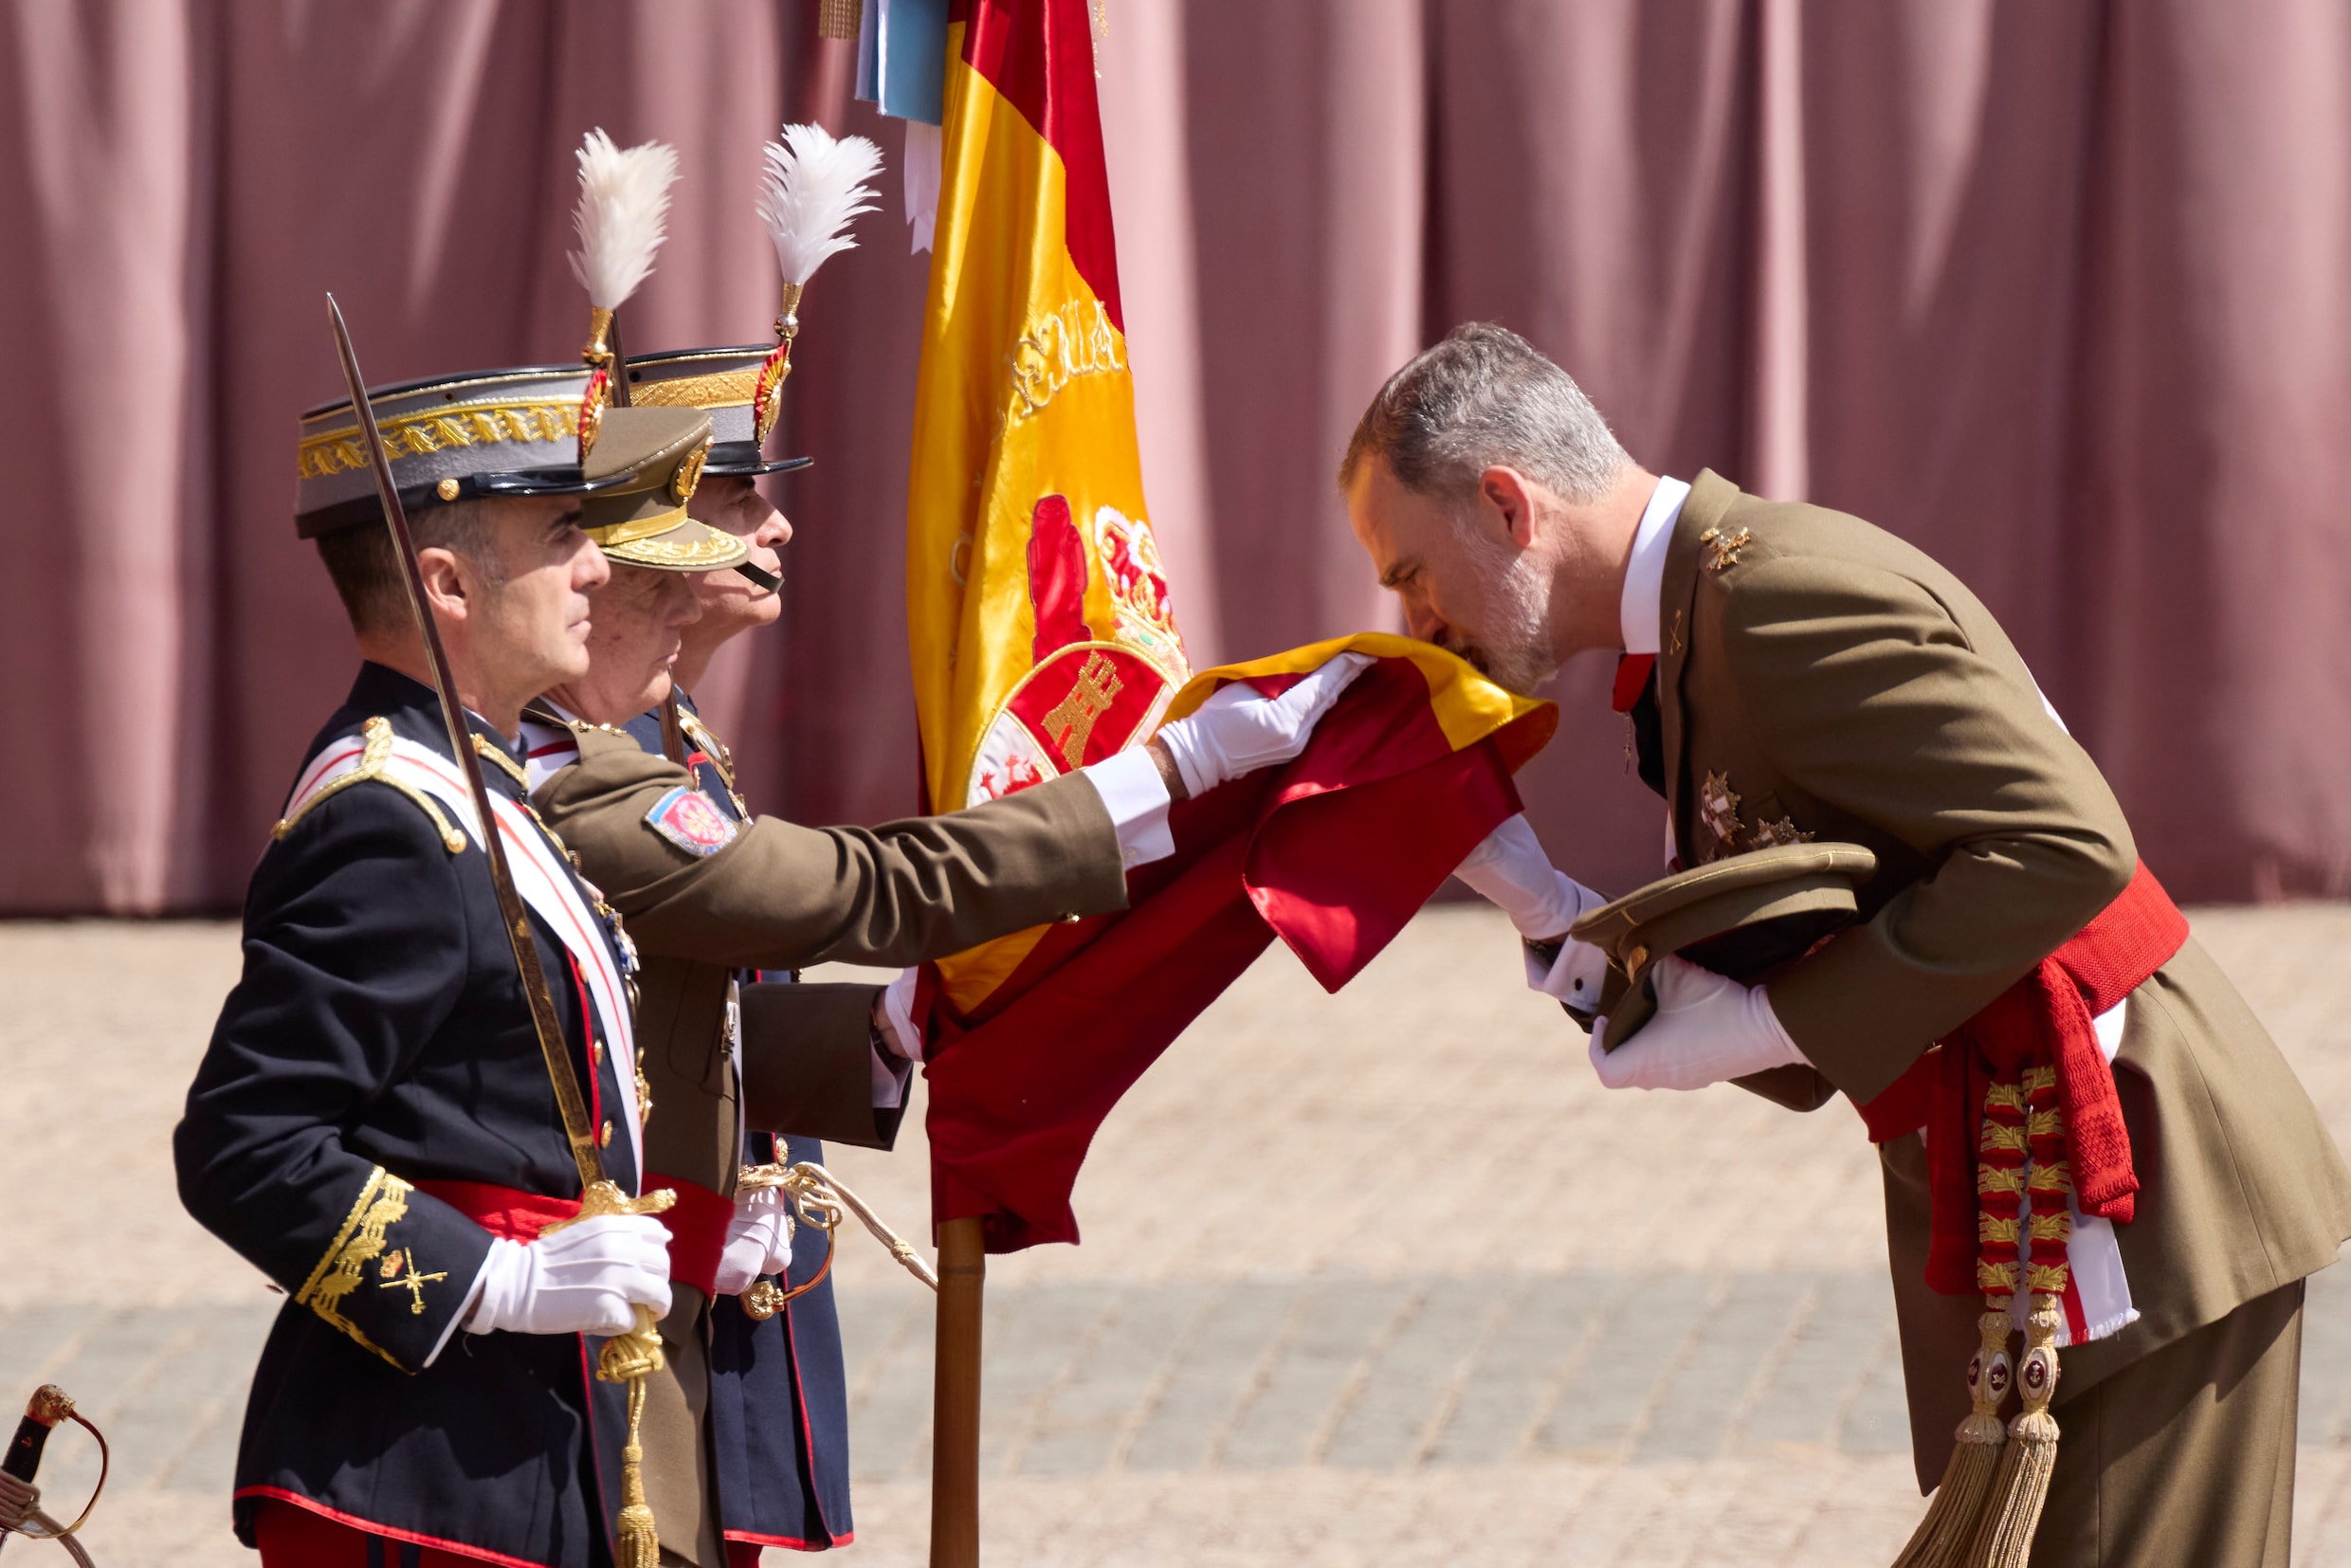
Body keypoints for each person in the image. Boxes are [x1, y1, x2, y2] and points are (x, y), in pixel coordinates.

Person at [1344, 322, 2351, 1567]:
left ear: (1506, 504)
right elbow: (1809, 952)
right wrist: (1548, 910)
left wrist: (1771, 1023)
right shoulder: (1706, 620)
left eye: (1410, 572)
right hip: (2038, 1176)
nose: (1415, 616)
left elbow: (2065, 845)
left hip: (2125, 1172)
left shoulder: (1770, 597)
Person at [522, 344, 1369, 1565]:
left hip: (694, 1290)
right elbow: (849, 891)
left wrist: (870, 1033)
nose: (773, 533)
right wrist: (1168, 773)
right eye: (729, 515)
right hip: (595, 1325)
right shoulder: (576, 771)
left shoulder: (659, 734)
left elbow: (647, 1015)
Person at [174, 367, 759, 1565]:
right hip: (423, 1470)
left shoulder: (482, 778)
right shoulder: (387, 814)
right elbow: (244, 1140)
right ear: (444, 580)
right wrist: (489, 1280)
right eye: (559, 536)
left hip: (525, 1447)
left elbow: (500, 1107)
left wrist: (685, 1227)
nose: (599, 565)